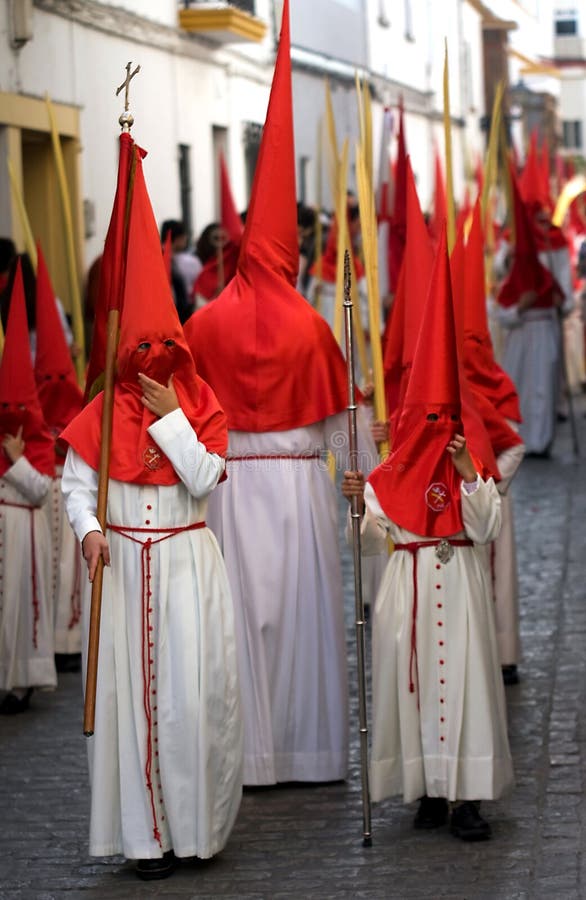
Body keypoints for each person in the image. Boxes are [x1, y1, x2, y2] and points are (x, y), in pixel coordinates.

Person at [184, 0, 376, 786]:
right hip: (297, 492)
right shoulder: (313, 328)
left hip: (228, 488)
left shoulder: (202, 325)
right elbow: (343, 425)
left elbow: (187, 418)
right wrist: (362, 486)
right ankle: (307, 751)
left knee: (236, 623)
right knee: (299, 621)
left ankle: (250, 758)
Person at [61, 131, 242, 879]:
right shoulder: (101, 413)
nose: (152, 363)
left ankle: (194, 831)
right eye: (140, 352)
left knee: (189, 707)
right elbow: (75, 484)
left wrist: (169, 416)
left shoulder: (198, 405)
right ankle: (146, 841)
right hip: (128, 572)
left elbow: (203, 478)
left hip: (184, 567)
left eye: (162, 348)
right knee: (134, 708)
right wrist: (92, 531)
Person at [342, 233, 513, 841]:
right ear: (414, 417)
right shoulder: (389, 476)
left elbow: (486, 528)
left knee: (465, 686)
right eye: (430, 418)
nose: (440, 429)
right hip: (407, 590)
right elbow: (364, 544)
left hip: (461, 585)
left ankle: (467, 796)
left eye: (450, 418)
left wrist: (471, 478)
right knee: (410, 689)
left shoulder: (470, 463)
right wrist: (357, 504)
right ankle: (427, 793)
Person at [0, 260, 56, 714]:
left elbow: (39, 489)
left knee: (21, 609)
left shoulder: (36, 444)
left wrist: (17, 458)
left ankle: (23, 681)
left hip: (25, 534)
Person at [34, 245, 85, 673]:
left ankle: (68, 639)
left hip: (64, 484)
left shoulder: (75, 403)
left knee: (68, 570)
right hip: (40, 485)